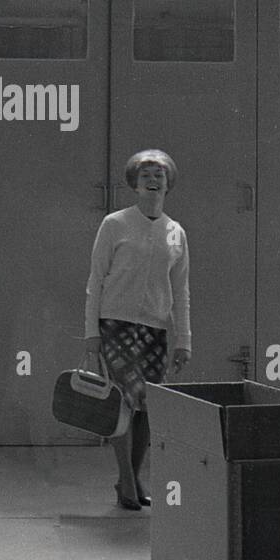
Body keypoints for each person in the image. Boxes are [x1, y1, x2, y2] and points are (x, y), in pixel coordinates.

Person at [81, 150, 191, 511]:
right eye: (146, 174)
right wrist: (91, 333)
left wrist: (183, 340)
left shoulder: (176, 233)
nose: (153, 179)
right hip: (115, 324)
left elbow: (181, 290)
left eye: (159, 173)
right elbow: (96, 280)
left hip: (155, 329)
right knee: (124, 401)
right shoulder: (115, 224)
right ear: (134, 182)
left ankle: (132, 474)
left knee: (146, 406)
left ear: (168, 182)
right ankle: (127, 479)